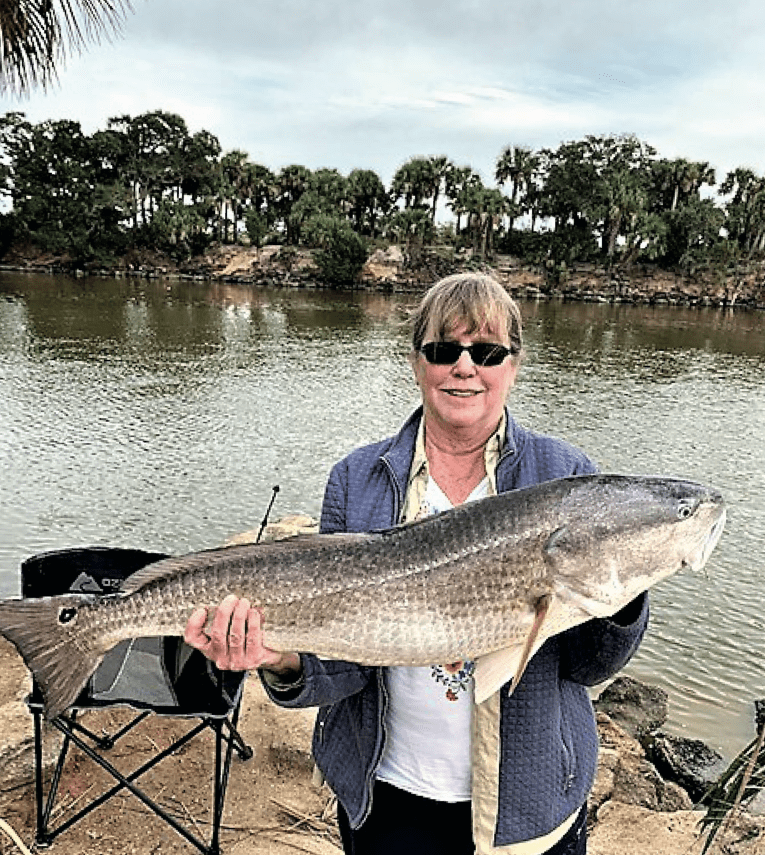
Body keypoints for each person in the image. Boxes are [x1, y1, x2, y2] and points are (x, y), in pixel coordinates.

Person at [184, 272, 649, 855]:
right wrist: (277, 659)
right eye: (442, 350)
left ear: (514, 364)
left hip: (527, 808)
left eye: (486, 351)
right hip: (388, 793)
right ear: (417, 362)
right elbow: (345, 663)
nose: (464, 366)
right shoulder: (358, 479)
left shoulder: (564, 476)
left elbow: (585, 666)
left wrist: (622, 584)